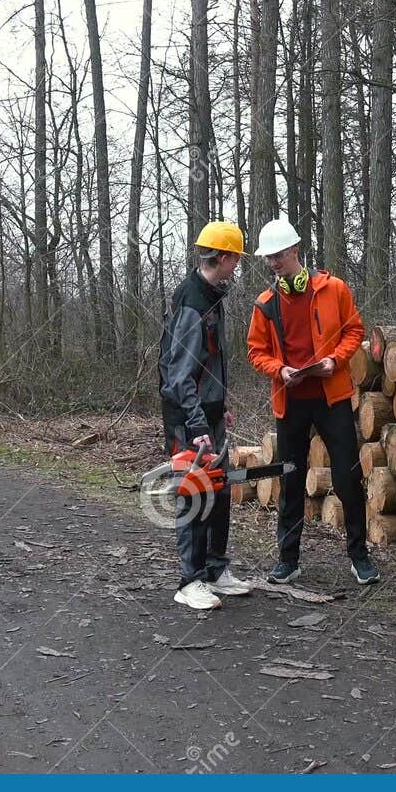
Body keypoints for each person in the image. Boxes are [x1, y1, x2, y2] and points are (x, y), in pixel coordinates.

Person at [246, 218, 379, 586]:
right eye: (268, 258)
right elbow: (255, 352)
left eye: (278, 255)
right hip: (289, 401)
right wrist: (279, 370)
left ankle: (359, 556)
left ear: (294, 251)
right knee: (291, 478)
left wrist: (334, 361)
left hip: (331, 395)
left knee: (347, 476)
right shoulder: (265, 303)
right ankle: (288, 559)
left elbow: (355, 330)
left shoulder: (333, 288)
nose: (273, 263)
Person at [159, 220, 252, 611]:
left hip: (209, 415)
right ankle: (190, 579)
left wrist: (220, 407)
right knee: (194, 495)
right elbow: (180, 375)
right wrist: (197, 426)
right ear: (225, 257)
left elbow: (209, 364)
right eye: (236, 260)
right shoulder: (193, 301)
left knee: (220, 492)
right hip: (188, 420)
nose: (237, 267)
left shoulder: (214, 295)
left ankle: (215, 568)